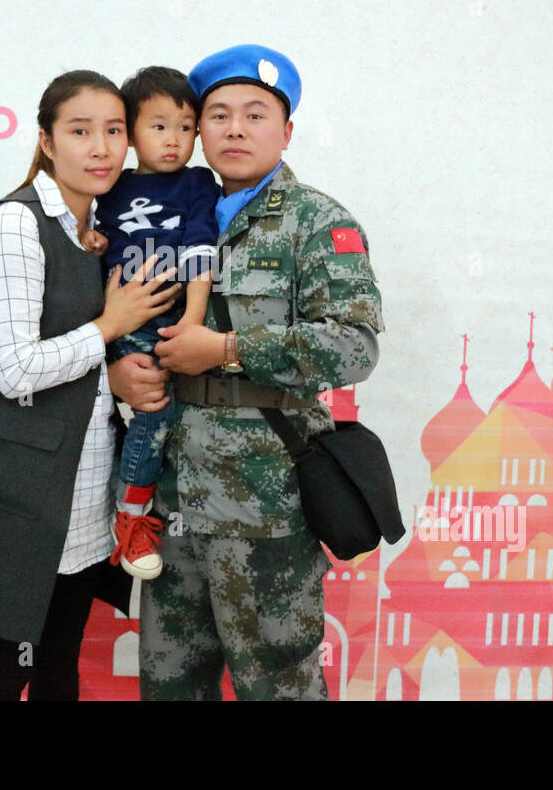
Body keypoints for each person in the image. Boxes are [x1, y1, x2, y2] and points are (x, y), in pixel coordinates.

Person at [0, 70, 180, 701]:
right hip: (21, 495)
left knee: (59, 671)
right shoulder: (15, 224)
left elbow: (81, 364)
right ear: (47, 142)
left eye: (114, 131)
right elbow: (15, 370)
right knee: (4, 677)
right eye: (80, 132)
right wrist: (110, 326)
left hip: (82, 495)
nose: (101, 148)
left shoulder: (99, 229)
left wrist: (115, 376)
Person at [137, 44, 385, 700]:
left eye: (255, 115)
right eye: (218, 115)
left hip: (267, 502)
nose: (236, 129)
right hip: (172, 494)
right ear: (199, 130)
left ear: (286, 131)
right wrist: (122, 373)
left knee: (277, 684)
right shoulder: (162, 215)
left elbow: (354, 346)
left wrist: (225, 349)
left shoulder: (318, 223)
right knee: (169, 683)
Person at [83, 66, 219, 581]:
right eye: (159, 126)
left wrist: (192, 320)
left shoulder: (197, 183)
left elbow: (200, 250)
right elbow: (89, 233)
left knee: (155, 415)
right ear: (130, 132)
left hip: (169, 322)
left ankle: (129, 511)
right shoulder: (109, 184)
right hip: (112, 323)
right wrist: (91, 237)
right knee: (140, 414)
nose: (174, 140)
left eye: (186, 128)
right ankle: (125, 515)